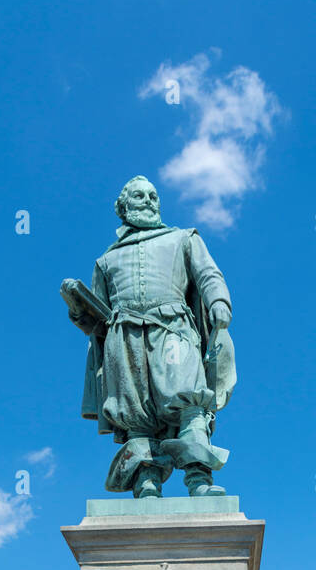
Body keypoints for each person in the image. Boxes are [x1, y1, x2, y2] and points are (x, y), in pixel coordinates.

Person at [70, 176, 236, 497]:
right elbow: (97, 323)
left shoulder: (184, 238)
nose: (148, 201)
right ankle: (147, 483)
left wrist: (218, 301)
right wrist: (77, 308)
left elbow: (208, 274)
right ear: (123, 207)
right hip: (124, 339)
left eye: (153, 196)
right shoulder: (106, 260)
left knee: (190, 402)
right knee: (136, 416)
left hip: (173, 330)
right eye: (139, 196)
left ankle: (198, 481)